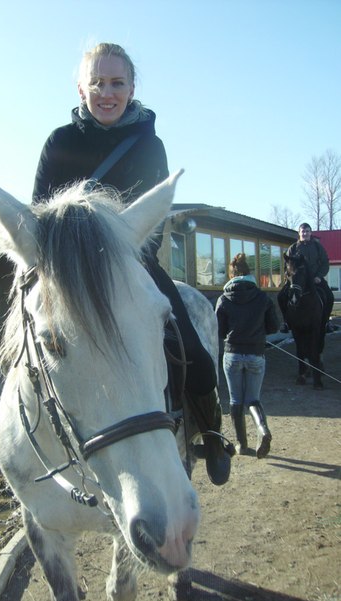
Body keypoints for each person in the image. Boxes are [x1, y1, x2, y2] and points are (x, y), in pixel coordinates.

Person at [32, 42, 232, 485]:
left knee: (195, 353)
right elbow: (39, 216)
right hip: (67, 275)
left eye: (117, 83)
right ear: (80, 88)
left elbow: (153, 223)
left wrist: (115, 263)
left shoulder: (149, 145)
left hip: (133, 265)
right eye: (97, 83)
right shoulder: (59, 142)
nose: (107, 92)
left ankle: (213, 433)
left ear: (132, 88)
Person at [215, 253, 278, 458]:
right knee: (252, 398)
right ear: (249, 273)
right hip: (256, 354)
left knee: (235, 400)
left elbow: (219, 331)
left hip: (232, 354)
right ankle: (263, 430)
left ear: (231, 275)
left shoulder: (223, 299)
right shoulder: (262, 297)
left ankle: (242, 445)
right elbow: (274, 326)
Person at [278, 223, 334, 332]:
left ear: (310, 233)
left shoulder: (317, 246)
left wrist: (319, 276)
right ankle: (286, 322)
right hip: (297, 280)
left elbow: (325, 263)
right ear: (299, 233)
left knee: (329, 296)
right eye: (303, 231)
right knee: (281, 296)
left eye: (307, 231)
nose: (305, 233)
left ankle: (326, 322)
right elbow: (287, 265)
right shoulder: (293, 248)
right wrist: (290, 277)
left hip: (315, 279)